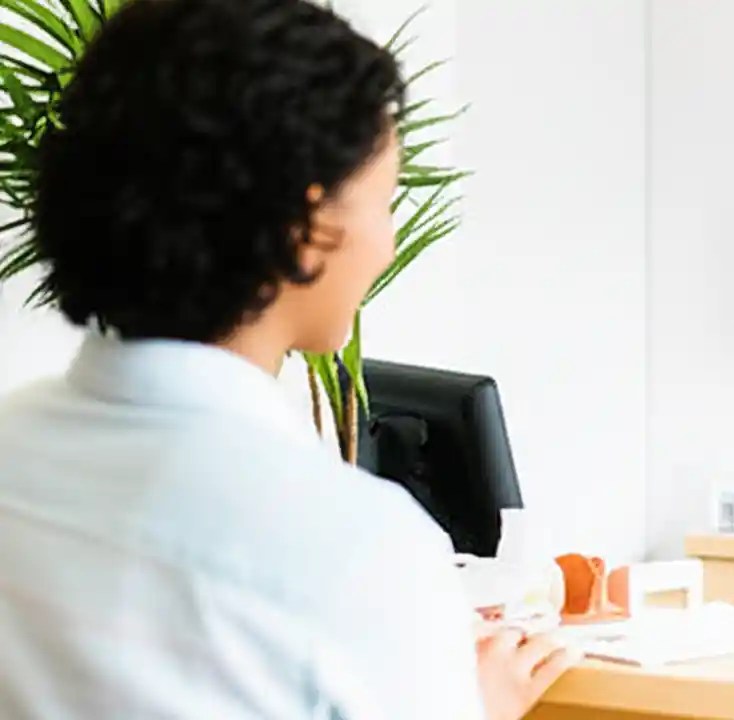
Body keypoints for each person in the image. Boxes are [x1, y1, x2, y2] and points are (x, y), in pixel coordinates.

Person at [0, 1, 573, 718]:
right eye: (384, 201)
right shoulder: (357, 548)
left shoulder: (12, 449)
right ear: (307, 230)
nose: (389, 245)